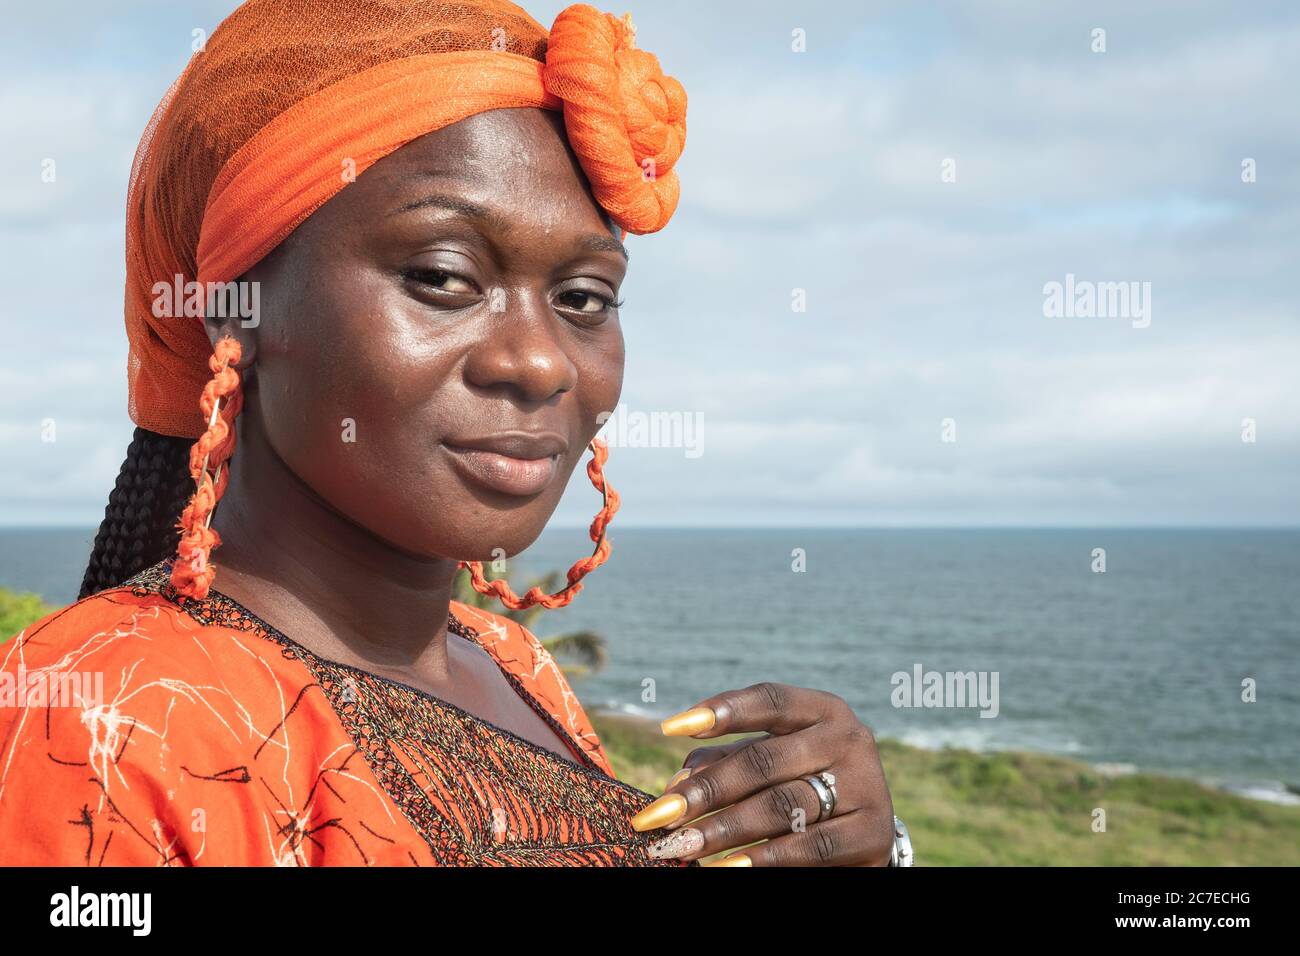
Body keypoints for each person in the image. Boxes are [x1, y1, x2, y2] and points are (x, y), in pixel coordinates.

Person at [0, 0, 902, 866]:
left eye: (583, 298)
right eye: (442, 277)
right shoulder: (102, 718)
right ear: (237, 311)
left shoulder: (510, 662)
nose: (540, 363)